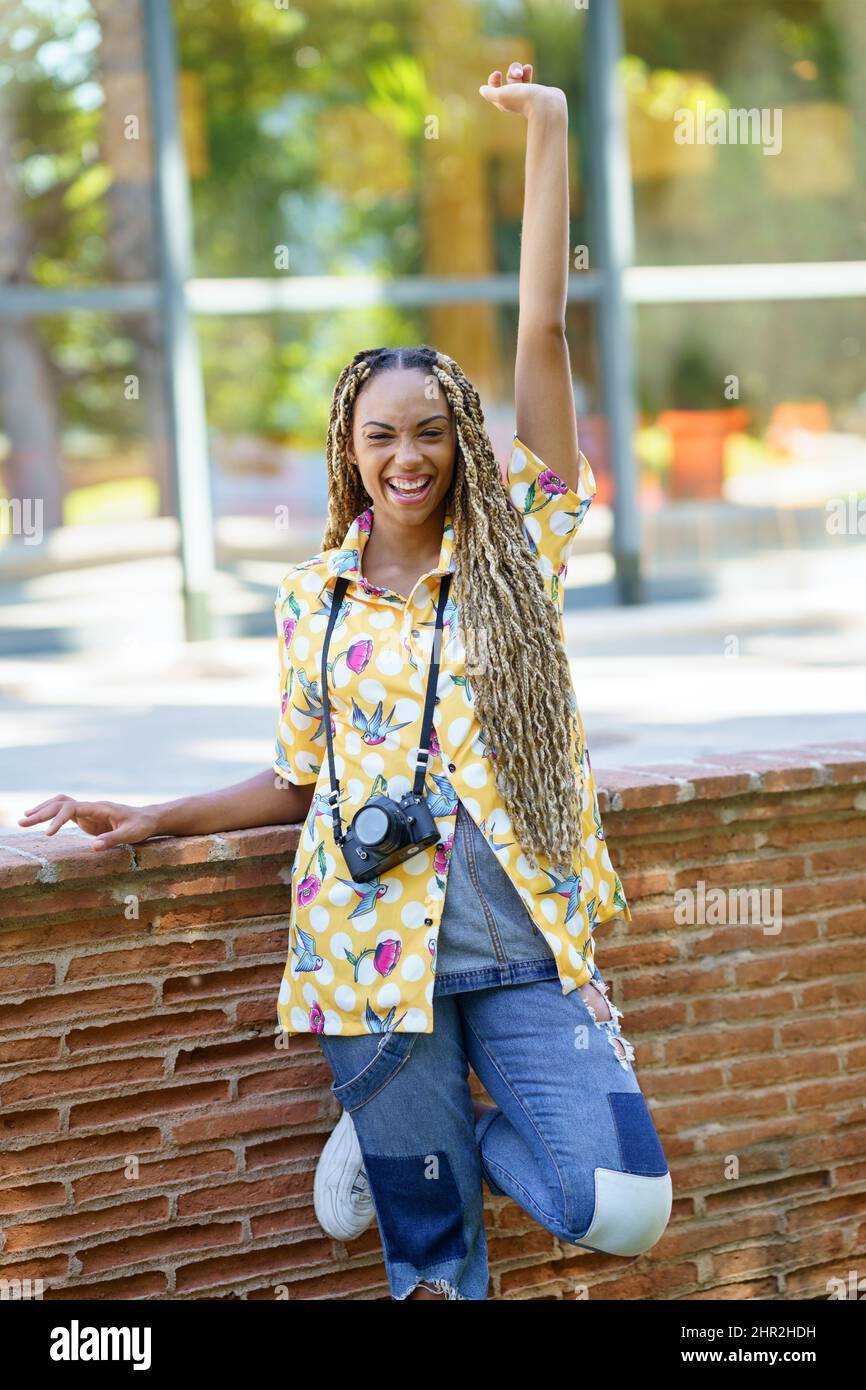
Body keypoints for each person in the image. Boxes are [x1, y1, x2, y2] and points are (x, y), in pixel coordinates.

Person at [18, 62, 672, 1303]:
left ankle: (427, 1144)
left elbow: (542, 325)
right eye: (382, 434)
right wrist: (152, 816)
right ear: (349, 450)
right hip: (368, 955)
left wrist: (549, 128)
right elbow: (296, 778)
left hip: (526, 943)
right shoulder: (309, 601)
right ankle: (399, 1143)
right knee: (429, 1263)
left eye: (431, 428)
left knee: (620, 1203)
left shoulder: (518, 553)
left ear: (465, 439)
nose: (409, 454)